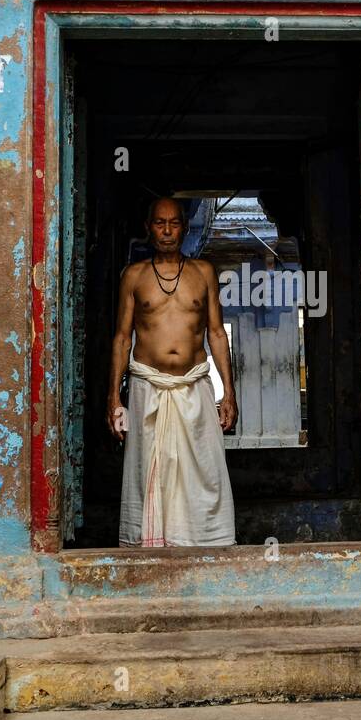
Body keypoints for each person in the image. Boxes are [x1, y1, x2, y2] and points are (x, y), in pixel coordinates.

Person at [108, 197, 237, 547]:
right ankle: (153, 548)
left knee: (204, 470)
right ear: (148, 227)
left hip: (194, 386)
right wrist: (113, 398)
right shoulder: (133, 276)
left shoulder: (203, 272)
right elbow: (122, 337)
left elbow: (215, 332)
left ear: (185, 227)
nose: (167, 230)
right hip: (147, 385)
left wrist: (229, 392)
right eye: (160, 223)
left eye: (174, 223)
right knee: (149, 471)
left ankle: (204, 547)